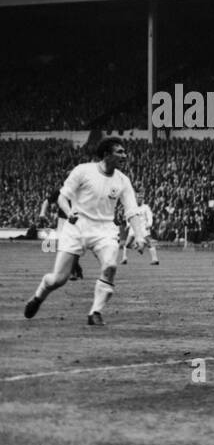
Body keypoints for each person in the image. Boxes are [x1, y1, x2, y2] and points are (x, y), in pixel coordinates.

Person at [23, 137, 148, 327]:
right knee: (58, 279)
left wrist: (139, 235)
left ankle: (95, 312)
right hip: (77, 227)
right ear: (106, 154)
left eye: (124, 151)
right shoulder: (83, 171)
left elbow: (132, 210)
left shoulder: (123, 180)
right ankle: (38, 297)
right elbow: (63, 197)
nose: (125, 155)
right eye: (120, 152)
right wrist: (68, 211)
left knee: (110, 266)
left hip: (105, 230)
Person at [39, 188, 83, 281]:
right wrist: (42, 213)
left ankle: (75, 271)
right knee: (67, 246)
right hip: (63, 222)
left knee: (71, 246)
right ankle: (75, 270)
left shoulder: (80, 190)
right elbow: (47, 201)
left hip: (77, 221)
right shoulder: (60, 191)